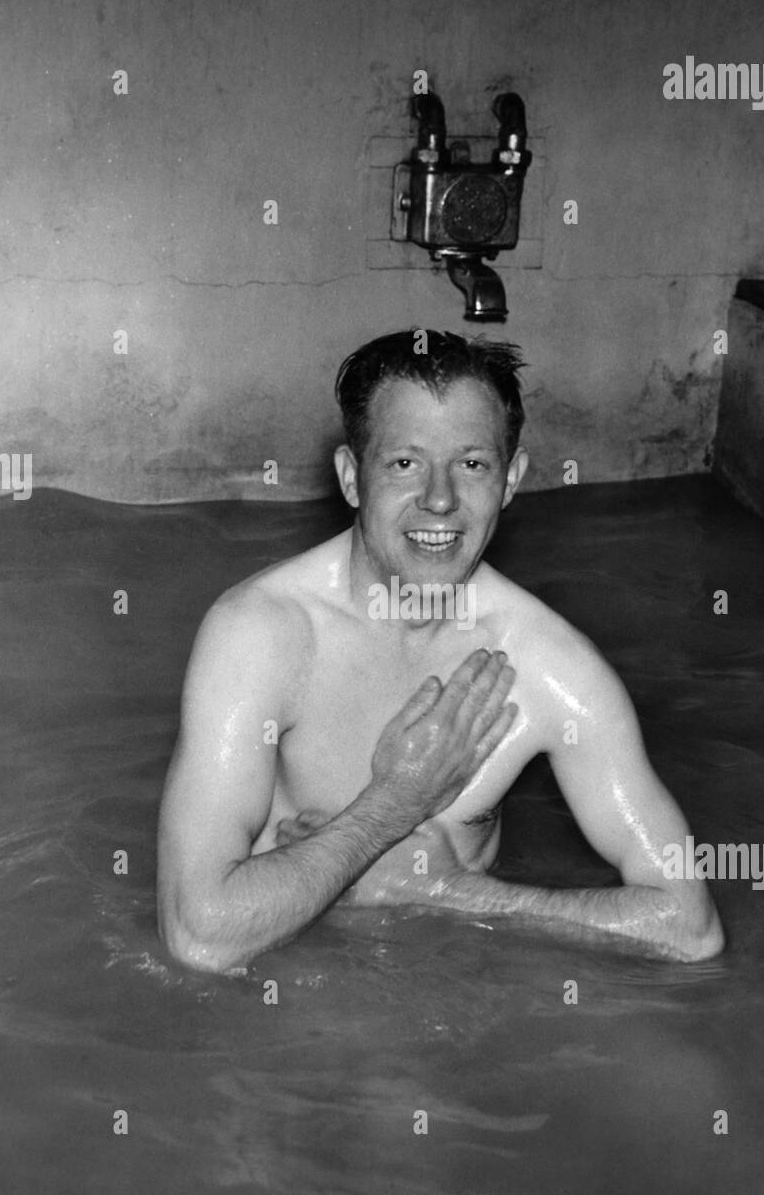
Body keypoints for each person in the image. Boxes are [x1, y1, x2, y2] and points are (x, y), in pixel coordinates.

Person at [157, 330, 724, 972]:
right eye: (404, 463)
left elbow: (689, 928)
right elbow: (198, 934)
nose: (440, 498)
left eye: (472, 464)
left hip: (450, 1000)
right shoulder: (259, 635)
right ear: (351, 477)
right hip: (277, 1014)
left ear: (511, 481)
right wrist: (388, 810)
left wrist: (447, 893)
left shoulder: (550, 668)